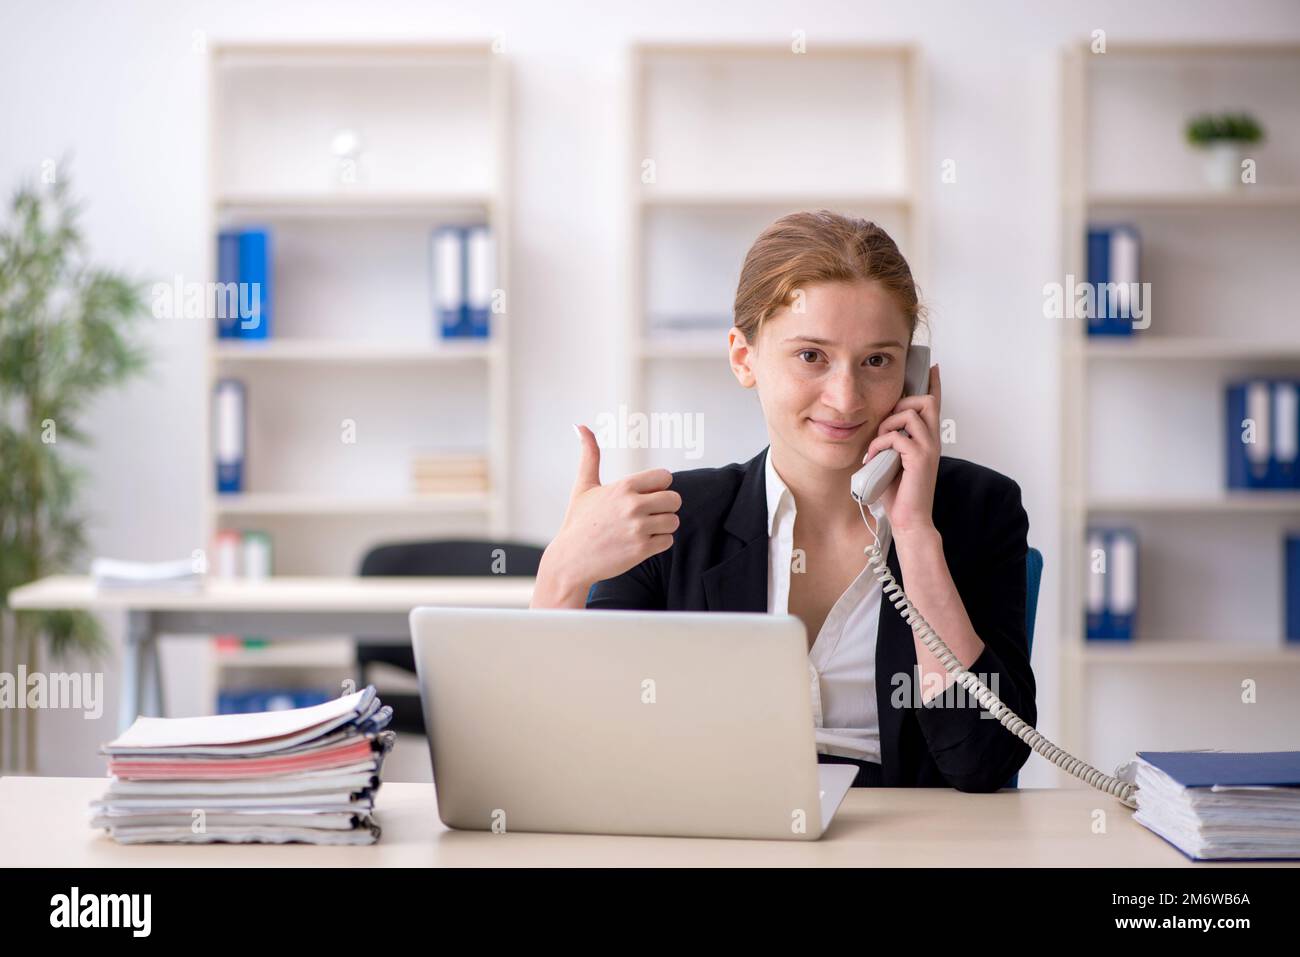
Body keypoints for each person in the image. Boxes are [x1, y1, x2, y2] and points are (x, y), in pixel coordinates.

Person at [531, 209, 1035, 792]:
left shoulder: (978, 511)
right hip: (718, 835)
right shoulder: (671, 517)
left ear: (913, 374)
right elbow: (571, 753)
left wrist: (916, 535)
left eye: (877, 360)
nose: (846, 398)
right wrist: (562, 573)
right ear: (745, 358)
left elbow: (984, 764)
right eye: (811, 356)